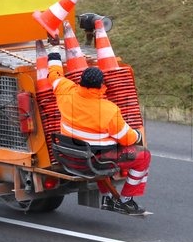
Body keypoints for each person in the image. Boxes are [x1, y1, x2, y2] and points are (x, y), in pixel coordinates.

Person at [47, 52, 150, 215]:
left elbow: (55, 76)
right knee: (142, 156)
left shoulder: (65, 91)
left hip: (70, 158)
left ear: (80, 81)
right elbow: (127, 138)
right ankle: (126, 200)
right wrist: (138, 135)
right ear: (102, 85)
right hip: (94, 162)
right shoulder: (108, 110)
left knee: (101, 152)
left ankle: (107, 197)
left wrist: (54, 58)